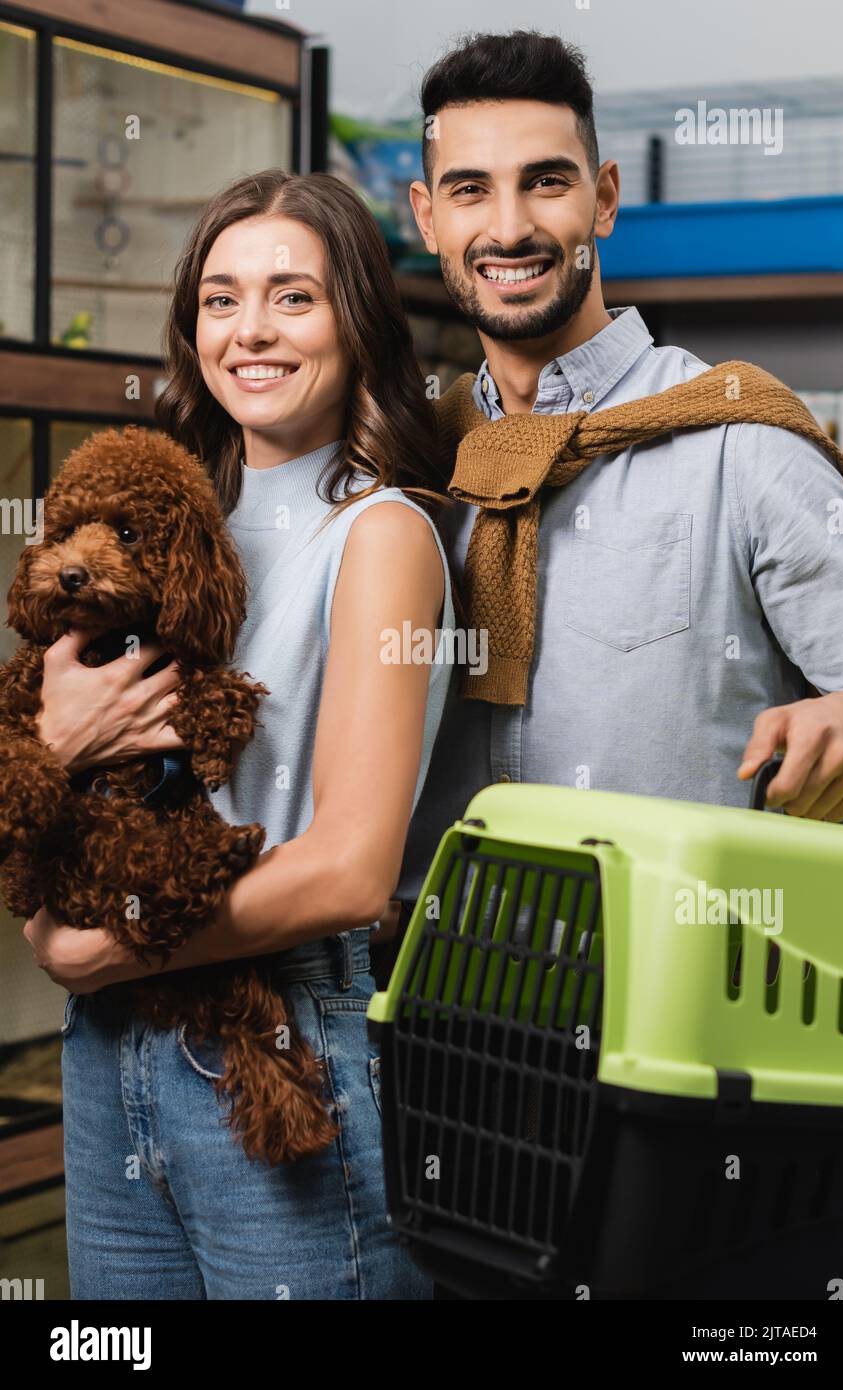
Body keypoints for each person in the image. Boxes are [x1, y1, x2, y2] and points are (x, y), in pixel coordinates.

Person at [25, 169, 454, 1300]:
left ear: (356, 319)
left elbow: (352, 868)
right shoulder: (161, 533)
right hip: (110, 1045)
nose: (250, 331)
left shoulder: (382, 532)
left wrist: (93, 946)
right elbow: (56, 777)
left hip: (285, 1033)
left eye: (291, 297)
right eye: (221, 299)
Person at [397, 28, 843, 913]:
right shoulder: (412, 466)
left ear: (603, 199)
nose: (509, 227)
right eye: (470, 191)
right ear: (428, 218)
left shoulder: (743, 438)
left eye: (546, 180)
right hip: (438, 1008)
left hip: (676, 1008)